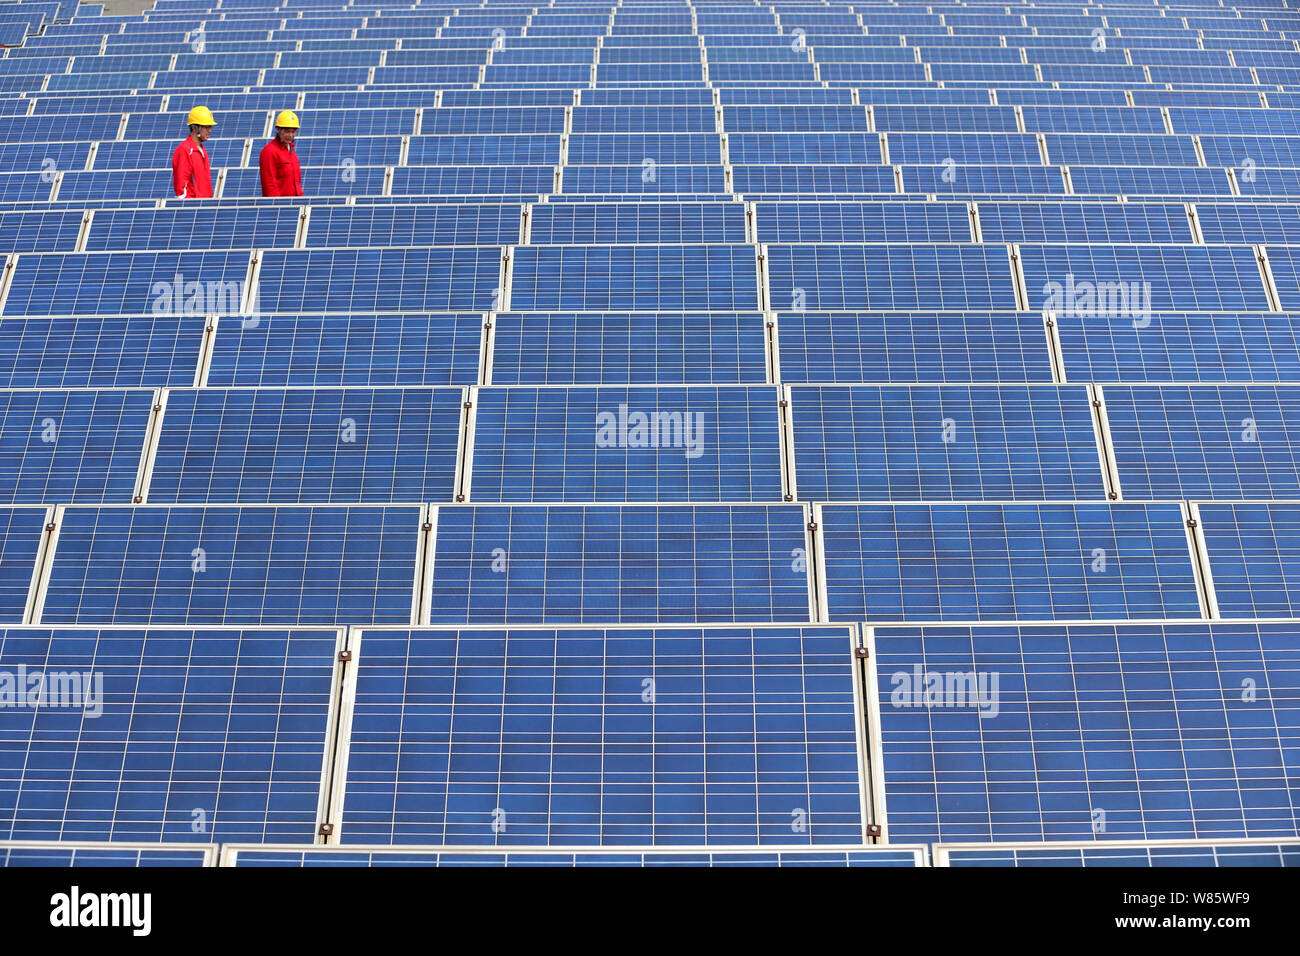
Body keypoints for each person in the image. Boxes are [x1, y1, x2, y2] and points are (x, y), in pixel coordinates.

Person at [172, 106, 215, 198]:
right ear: (195, 128)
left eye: (210, 127)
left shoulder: (202, 151)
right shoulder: (184, 150)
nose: (210, 130)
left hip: (204, 207)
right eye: (206, 127)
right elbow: (181, 187)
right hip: (192, 208)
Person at [259, 110, 303, 197]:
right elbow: (269, 184)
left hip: (295, 203)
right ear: (277, 129)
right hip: (281, 206)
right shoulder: (269, 151)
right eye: (287, 131)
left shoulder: (291, 149)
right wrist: (276, 205)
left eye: (293, 132)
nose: (290, 135)